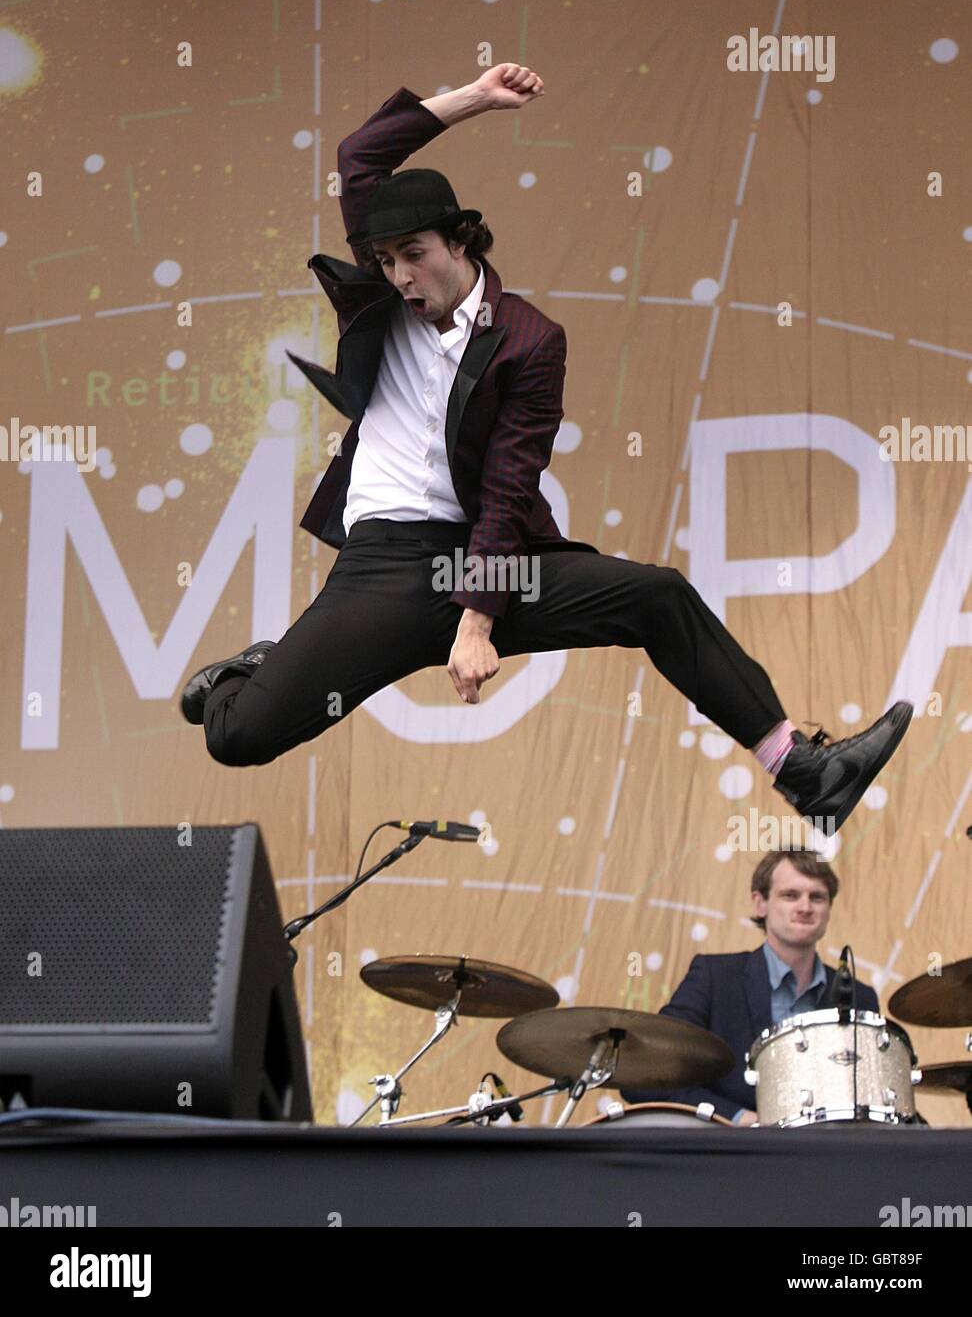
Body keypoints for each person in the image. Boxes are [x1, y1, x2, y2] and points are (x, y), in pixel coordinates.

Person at [179, 63, 911, 836]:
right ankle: (253, 670)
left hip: (486, 560)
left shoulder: (528, 341)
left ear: (459, 239)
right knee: (238, 736)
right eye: (386, 260)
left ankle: (802, 770)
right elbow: (361, 154)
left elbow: (506, 488)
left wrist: (476, 623)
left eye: (414, 254)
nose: (399, 276)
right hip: (387, 566)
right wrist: (473, 100)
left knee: (656, 595)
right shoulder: (387, 291)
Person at [621, 849, 880, 1125]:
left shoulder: (859, 996)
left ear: (829, 908)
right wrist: (738, 1118)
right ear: (760, 903)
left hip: (828, 1159)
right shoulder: (715, 978)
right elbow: (644, 1077)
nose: (805, 907)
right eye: (790, 895)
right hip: (731, 1156)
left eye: (817, 897)